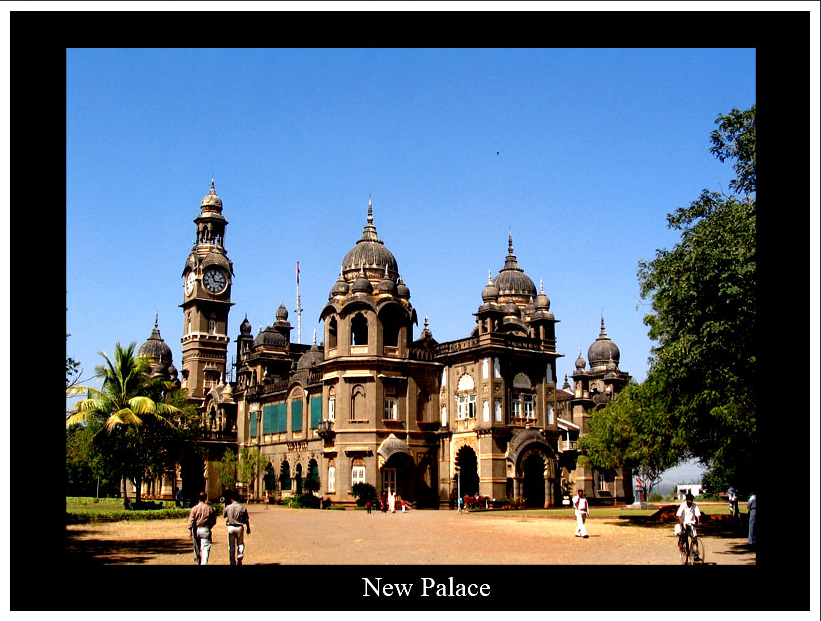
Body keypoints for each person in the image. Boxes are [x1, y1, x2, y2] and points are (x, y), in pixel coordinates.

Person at [188, 491, 217, 565]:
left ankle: (197, 562)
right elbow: (214, 520)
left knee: (196, 549)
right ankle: (204, 563)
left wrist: (190, 531)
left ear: (198, 498)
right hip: (205, 529)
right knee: (205, 548)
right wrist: (210, 526)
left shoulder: (194, 508)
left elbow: (191, 521)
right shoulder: (209, 508)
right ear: (205, 498)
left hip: (196, 529)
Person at [223, 491, 251, 566]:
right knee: (240, 543)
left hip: (231, 527)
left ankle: (232, 561)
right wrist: (248, 528)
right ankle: (239, 554)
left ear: (231, 499)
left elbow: (224, 515)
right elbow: (246, 519)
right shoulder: (242, 507)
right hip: (239, 527)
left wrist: (225, 506)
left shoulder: (228, 507)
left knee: (231, 546)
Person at [676, 492, 702, 561]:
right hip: (685, 523)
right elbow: (679, 514)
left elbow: (698, 514)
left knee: (694, 539)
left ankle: (695, 555)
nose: (691, 501)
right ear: (687, 500)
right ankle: (681, 542)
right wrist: (681, 522)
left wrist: (698, 522)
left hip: (692, 523)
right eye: (689, 500)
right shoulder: (683, 505)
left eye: (691, 500)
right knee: (684, 535)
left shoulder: (694, 506)